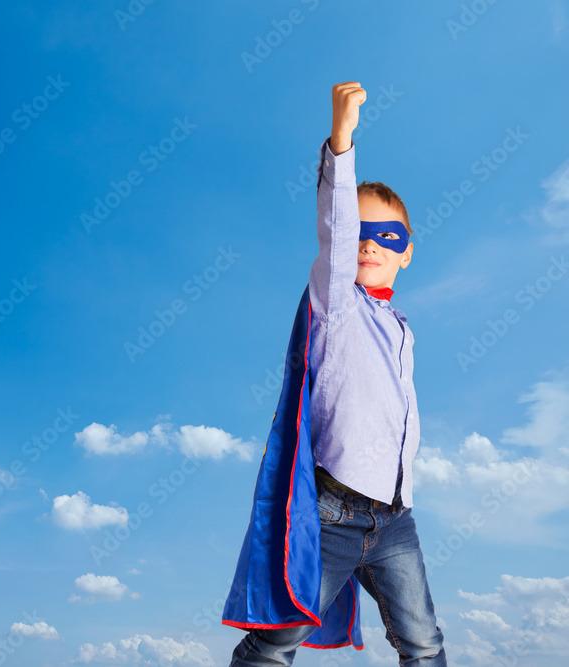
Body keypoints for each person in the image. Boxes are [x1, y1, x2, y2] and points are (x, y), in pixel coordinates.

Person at [222, 82, 447, 666]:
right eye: (362, 234)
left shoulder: (401, 329)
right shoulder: (335, 305)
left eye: (387, 235)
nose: (370, 243)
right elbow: (338, 228)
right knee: (277, 640)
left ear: (406, 251)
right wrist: (342, 143)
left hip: (395, 518)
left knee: (423, 643)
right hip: (333, 514)